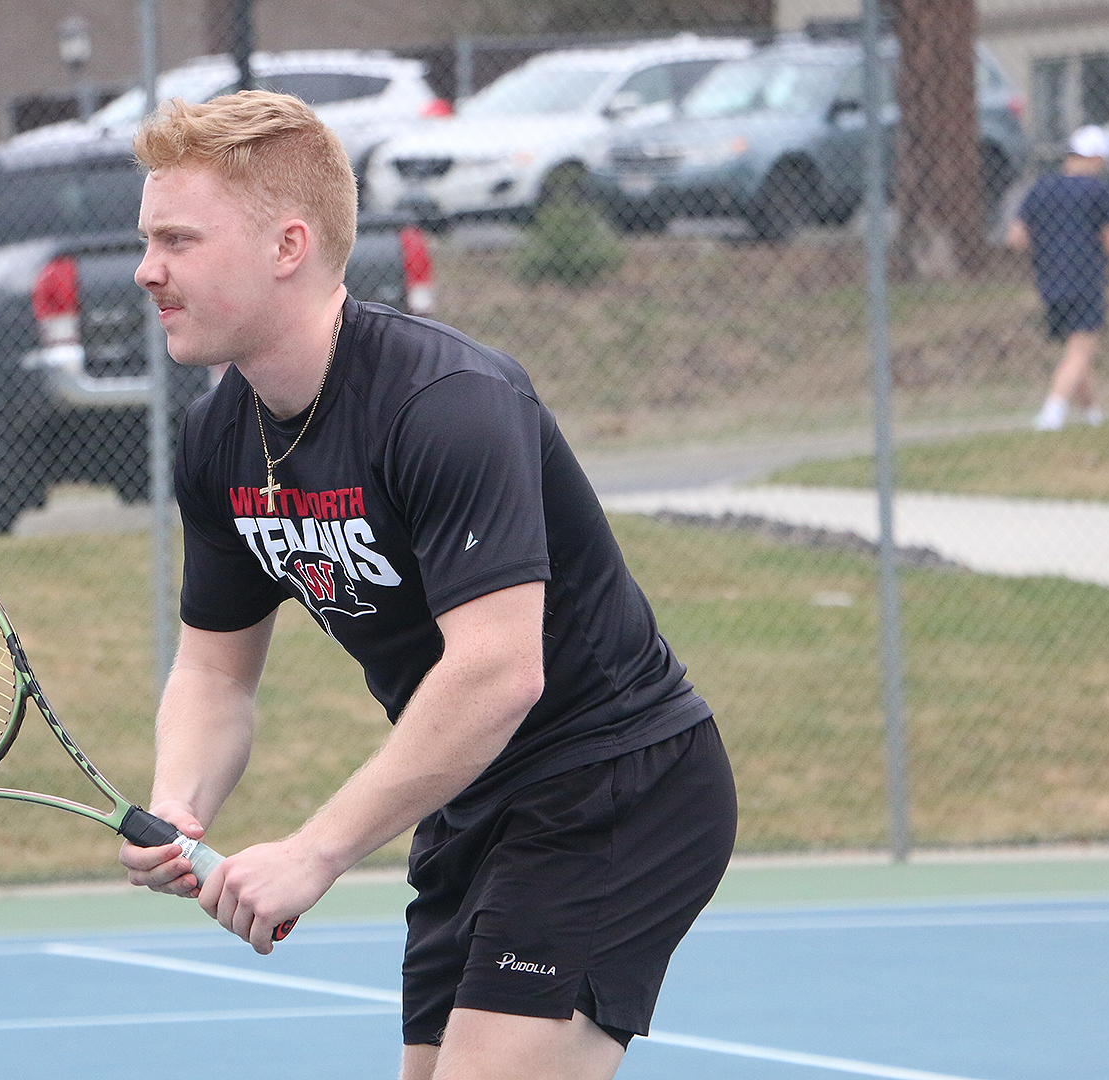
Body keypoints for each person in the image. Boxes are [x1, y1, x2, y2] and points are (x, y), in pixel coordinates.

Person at [118, 90, 738, 1080]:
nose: (147, 269)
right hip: (470, 797)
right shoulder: (218, 438)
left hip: (615, 784)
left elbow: (498, 675)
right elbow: (214, 676)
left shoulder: (446, 404)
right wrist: (180, 807)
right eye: (149, 239)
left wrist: (316, 849)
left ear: (287, 246)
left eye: (179, 240)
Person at [1007, 123, 1109, 432]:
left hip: (1048, 279)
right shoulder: (1100, 190)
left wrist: (1049, 245)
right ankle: (1053, 412)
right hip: (1087, 279)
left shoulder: (1041, 187)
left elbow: (1017, 236)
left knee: (1077, 351)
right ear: (1096, 158)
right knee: (1079, 351)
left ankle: (1092, 417)